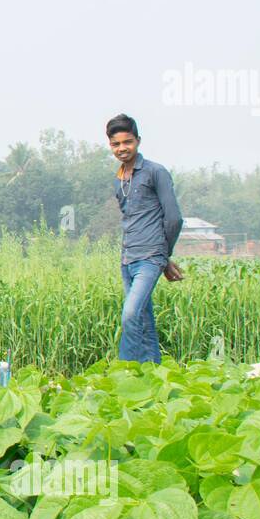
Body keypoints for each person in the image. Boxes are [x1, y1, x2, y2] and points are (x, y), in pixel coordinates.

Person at [107, 114, 183, 363]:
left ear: (138, 141)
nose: (122, 149)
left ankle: (124, 371)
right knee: (143, 320)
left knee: (129, 314)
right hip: (128, 258)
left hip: (150, 258)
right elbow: (131, 220)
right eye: (116, 144)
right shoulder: (120, 179)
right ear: (110, 145)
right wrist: (165, 258)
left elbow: (173, 219)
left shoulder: (155, 172)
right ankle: (154, 374)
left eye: (127, 142)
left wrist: (162, 256)